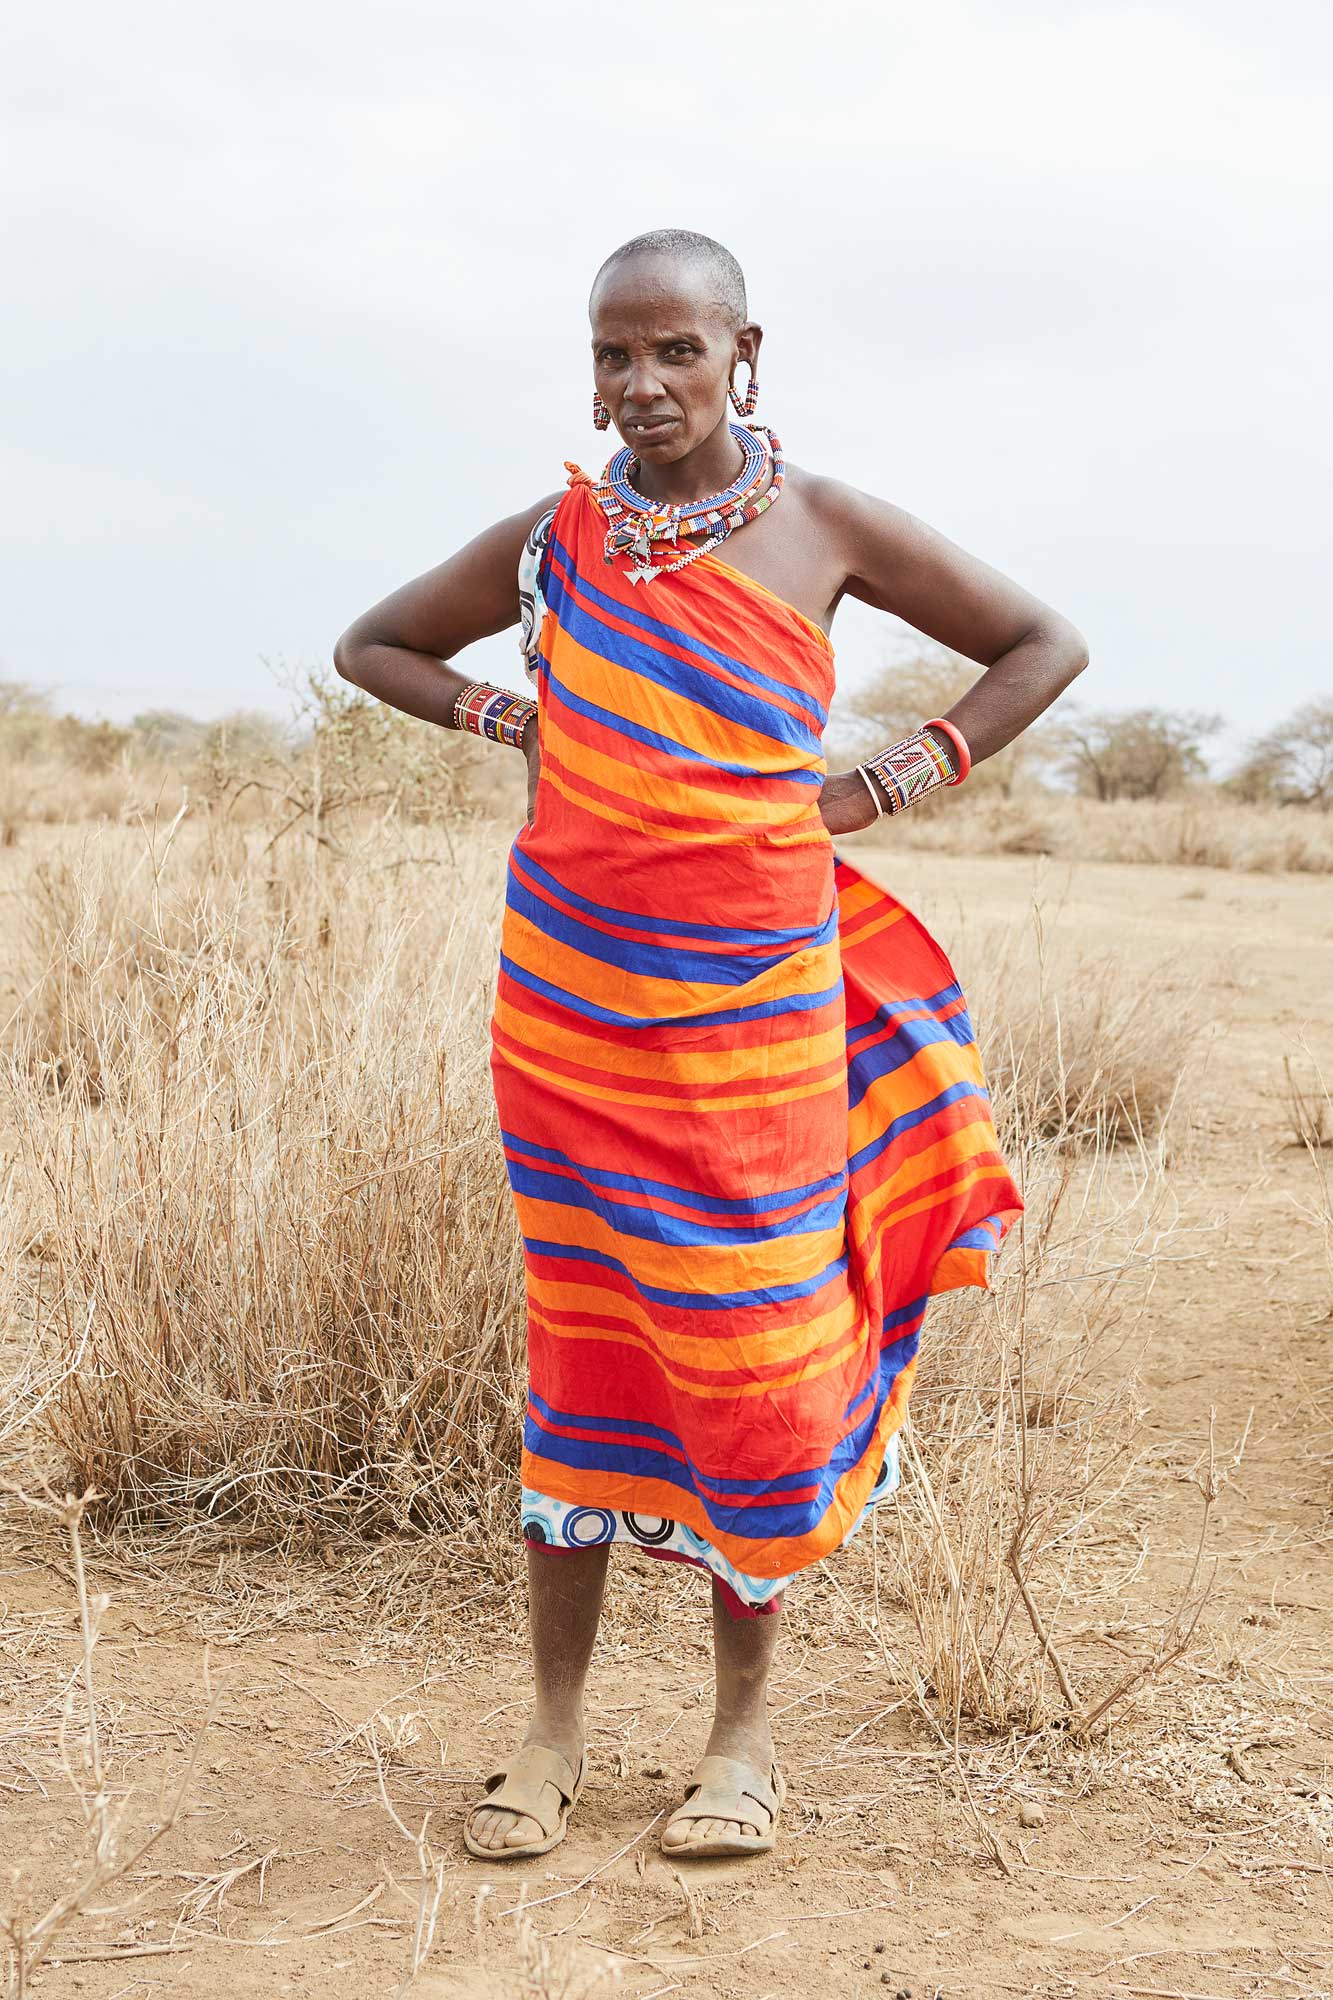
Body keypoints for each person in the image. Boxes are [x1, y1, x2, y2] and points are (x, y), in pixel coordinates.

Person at [334, 227, 1087, 1864]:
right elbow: (372, 645)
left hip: (754, 1010)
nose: (641, 383)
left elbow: (1042, 642)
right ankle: (548, 1736)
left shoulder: (824, 523)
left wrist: (879, 783)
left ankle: (739, 1741)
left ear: (746, 351)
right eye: (613, 354)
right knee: (584, 1340)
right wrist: (516, 715)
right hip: (569, 1008)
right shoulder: (558, 535)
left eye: (675, 349)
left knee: (749, 1350)